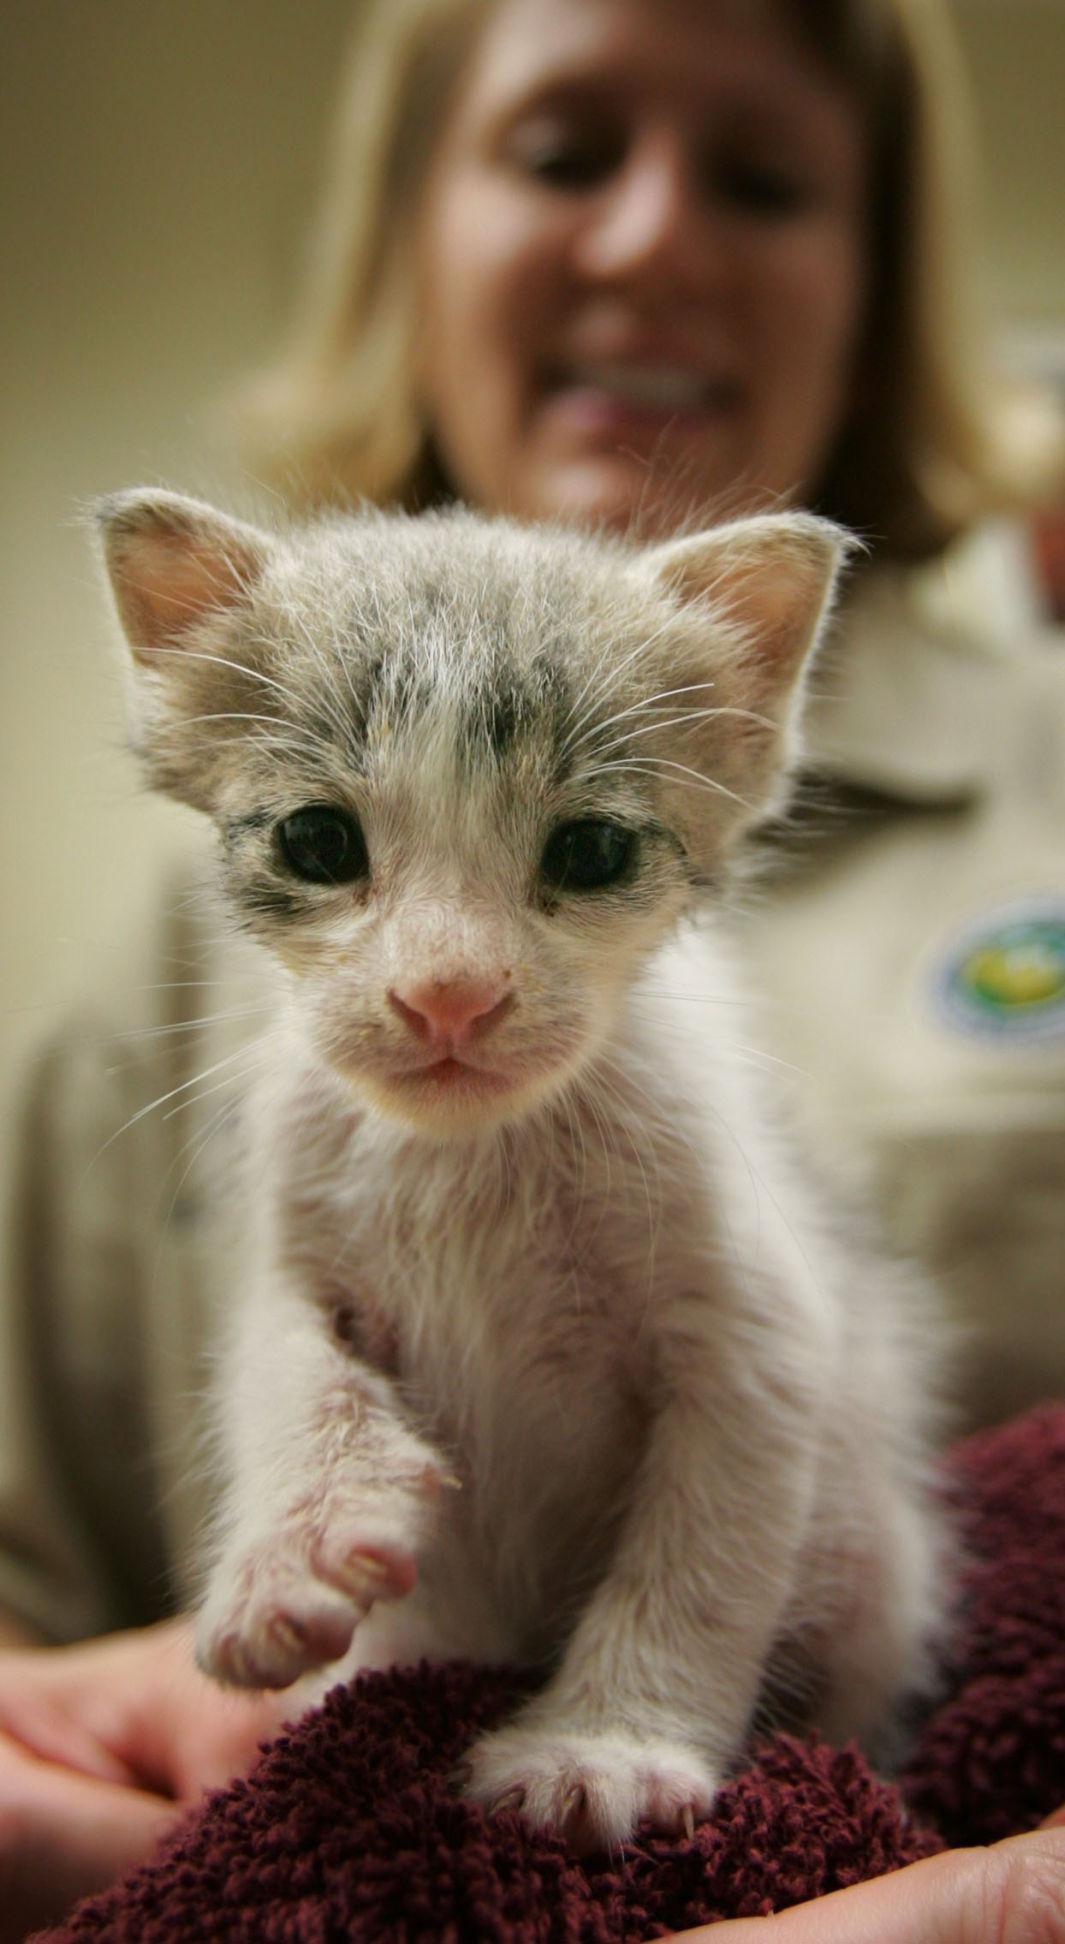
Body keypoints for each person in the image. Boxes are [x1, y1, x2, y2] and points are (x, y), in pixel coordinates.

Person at [1, 0, 1063, 1935]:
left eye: (761, 177)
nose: (443, 985)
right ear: (412, 222)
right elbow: (118, 1499)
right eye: (562, 152)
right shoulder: (160, 970)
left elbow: (754, 1366)